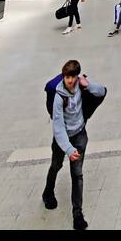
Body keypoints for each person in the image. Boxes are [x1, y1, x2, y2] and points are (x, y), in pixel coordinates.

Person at [42, 59, 106, 230]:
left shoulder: (81, 85)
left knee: (77, 175)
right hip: (63, 140)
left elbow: (102, 91)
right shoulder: (58, 96)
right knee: (56, 165)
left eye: (72, 77)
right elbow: (58, 128)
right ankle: (48, 191)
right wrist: (68, 149)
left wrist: (89, 84)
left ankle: (77, 213)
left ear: (77, 77)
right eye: (66, 77)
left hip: (79, 136)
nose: (69, 81)